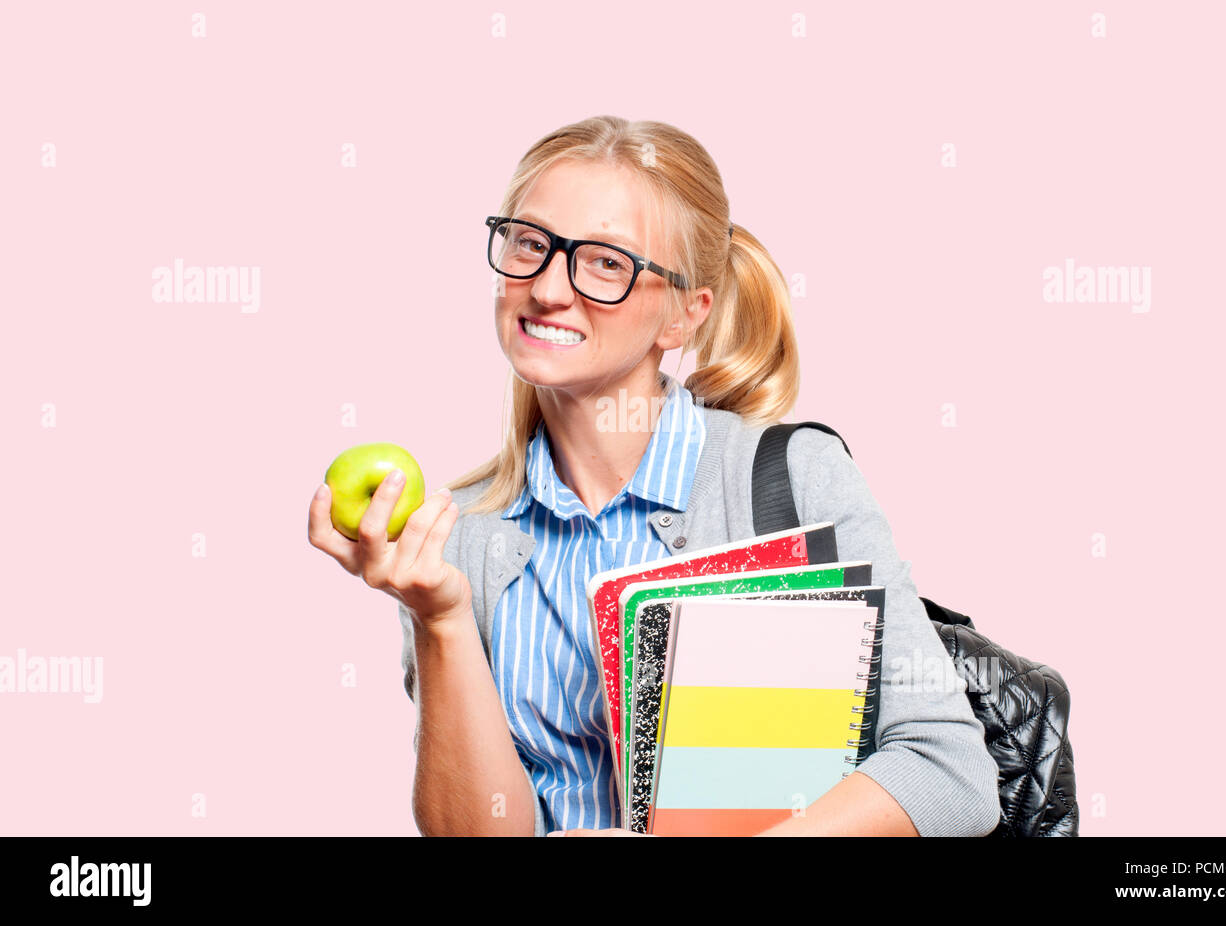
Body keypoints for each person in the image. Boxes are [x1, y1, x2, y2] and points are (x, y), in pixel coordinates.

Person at [308, 115, 1002, 838]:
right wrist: (440, 617)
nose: (548, 288)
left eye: (605, 261)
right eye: (531, 243)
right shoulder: (458, 536)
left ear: (683, 315)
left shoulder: (788, 481)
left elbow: (949, 771)